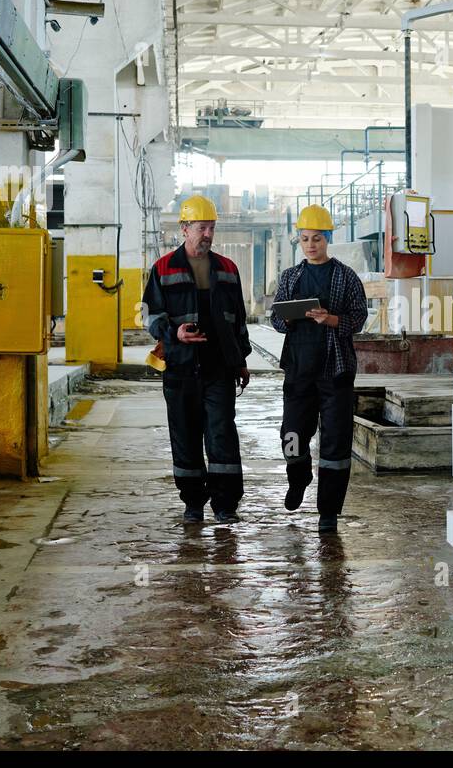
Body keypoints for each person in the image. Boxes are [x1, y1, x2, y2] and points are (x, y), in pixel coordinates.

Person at [142, 194, 251, 523]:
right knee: (186, 436)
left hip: (219, 367)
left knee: (221, 433)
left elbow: (239, 320)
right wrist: (174, 333)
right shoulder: (163, 268)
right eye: (202, 228)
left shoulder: (228, 269)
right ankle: (193, 503)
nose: (207, 234)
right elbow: (149, 314)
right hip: (181, 368)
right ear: (185, 228)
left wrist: (241, 359)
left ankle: (225, 504)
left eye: (212, 228)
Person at [271, 204, 368, 534]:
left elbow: (359, 318)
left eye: (317, 239)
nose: (311, 245)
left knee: (335, 443)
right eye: (305, 239)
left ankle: (328, 510)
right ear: (299, 241)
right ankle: (298, 478)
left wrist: (332, 320)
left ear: (328, 239)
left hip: (335, 370)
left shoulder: (346, 277)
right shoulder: (290, 277)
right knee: (292, 435)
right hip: (299, 369)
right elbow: (276, 320)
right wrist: (285, 318)